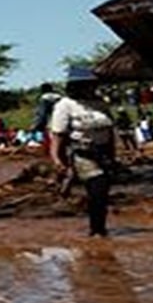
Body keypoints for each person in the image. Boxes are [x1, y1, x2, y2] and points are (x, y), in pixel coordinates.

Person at [48, 66, 117, 237]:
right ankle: (97, 231)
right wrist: (57, 158)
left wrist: (114, 156)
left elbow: (109, 132)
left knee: (103, 192)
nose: (90, 87)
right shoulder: (65, 105)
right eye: (86, 84)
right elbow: (58, 135)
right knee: (97, 188)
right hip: (82, 153)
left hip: (104, 153)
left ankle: (99, 227)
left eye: (92, 84)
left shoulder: (100, 103)